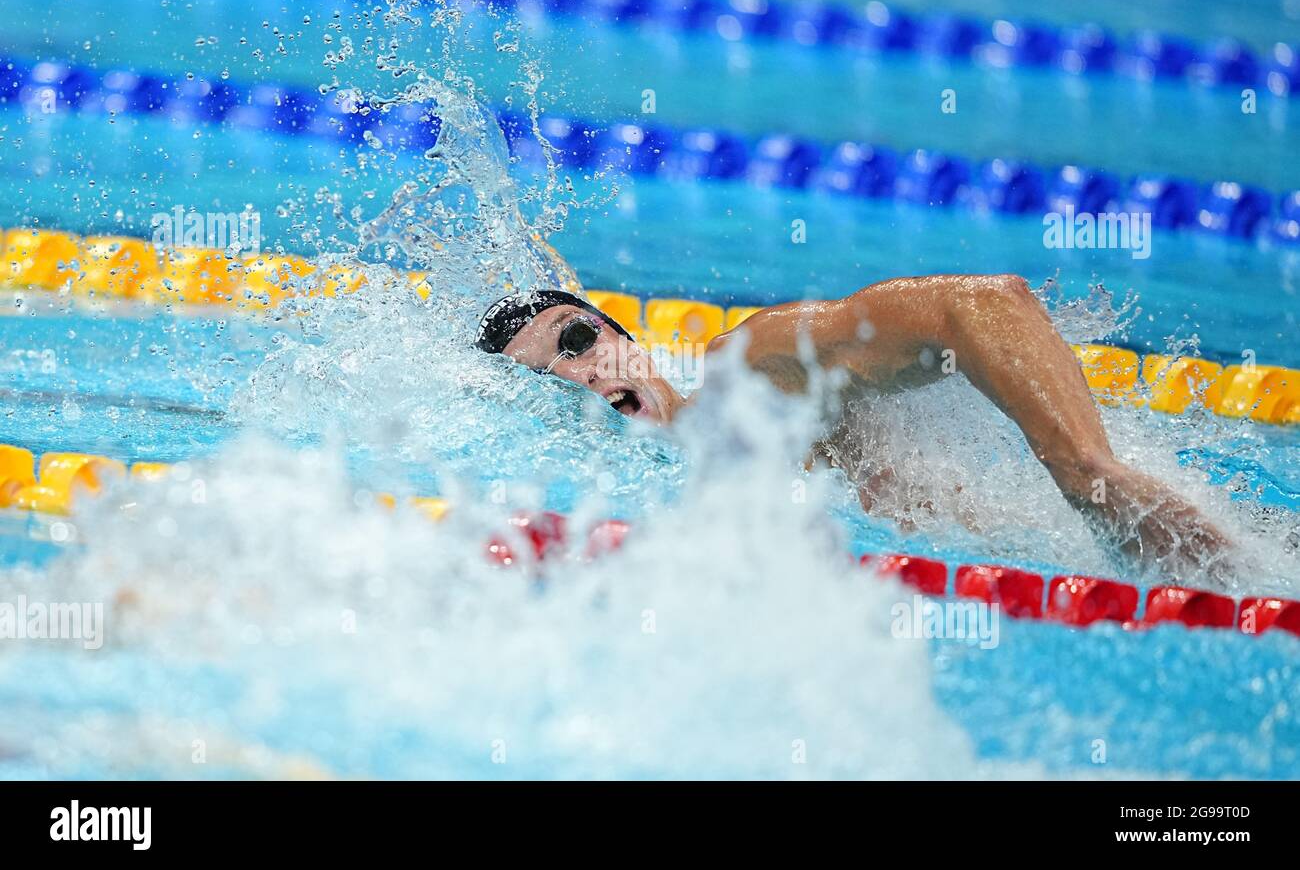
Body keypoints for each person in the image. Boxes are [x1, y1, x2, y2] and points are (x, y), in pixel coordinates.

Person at [474, 275, 1230, 577]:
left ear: (627, 339)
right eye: (549, 378)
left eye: (577, 341)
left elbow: (983, 304)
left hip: (1138, 547)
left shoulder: (750, 372)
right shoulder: (636, 513)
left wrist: (1084, 468)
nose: (581, 375)